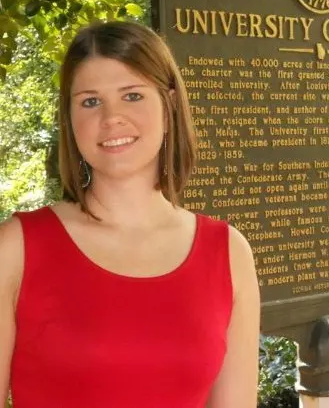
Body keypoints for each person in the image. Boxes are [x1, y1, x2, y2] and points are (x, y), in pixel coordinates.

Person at [0, 21, 260, 407]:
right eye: (90, 101)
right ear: (70, 120)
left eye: (132, 95)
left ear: (169, 106)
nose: (111, 118)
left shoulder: (227, 252)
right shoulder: (17, 247)